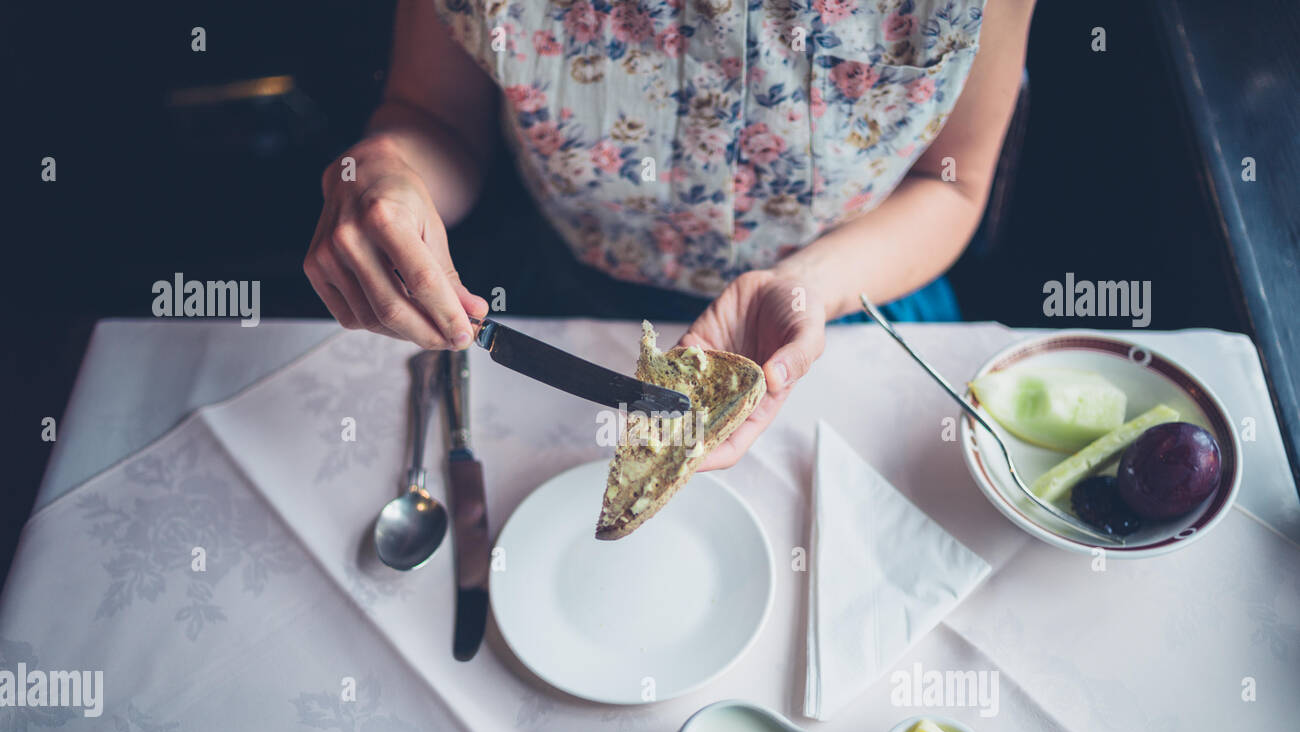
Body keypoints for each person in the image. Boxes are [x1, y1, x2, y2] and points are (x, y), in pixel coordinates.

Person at [304, 0, 1036, 469]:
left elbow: (951, 183)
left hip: (857, 303)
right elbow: (432, 117)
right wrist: (376, 170)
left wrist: (804, 288)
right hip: (562, 297)